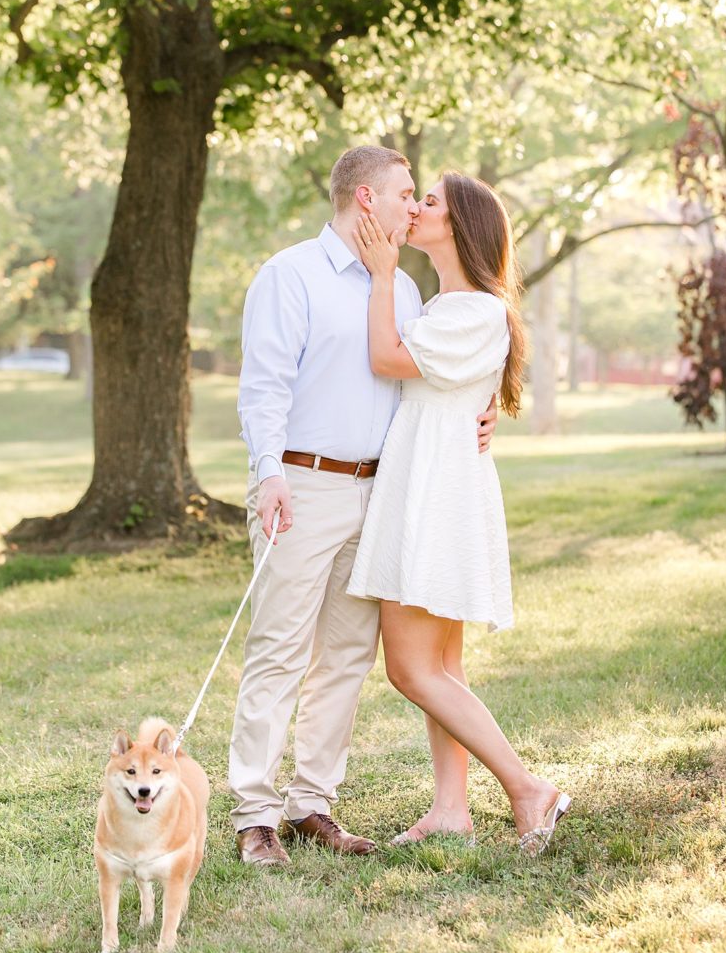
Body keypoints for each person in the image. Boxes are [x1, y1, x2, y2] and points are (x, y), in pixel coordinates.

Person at [229, 146, 497, 866]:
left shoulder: (404, 291)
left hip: (381, 491)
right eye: (405, 193)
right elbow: (263, 388)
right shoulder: (290, 275)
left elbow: (425, 379)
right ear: (365, 199)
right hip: (303, 483)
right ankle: (253, 814)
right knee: (279, 649)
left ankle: (311, 801)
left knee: (347, 654)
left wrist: (486, 406)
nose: (413, 206)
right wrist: (268, 474)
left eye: (419, 196)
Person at [347, 173, 571, 856]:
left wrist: (382, 273)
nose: (416, 208)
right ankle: (450, 807)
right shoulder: (455, 306)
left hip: (434, 490)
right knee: (442, 667)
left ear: (460, 225)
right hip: (432, 473)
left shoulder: (472, 309)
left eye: (431, 203)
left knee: (411, 670)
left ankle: (527, 788)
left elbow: (387, 358)